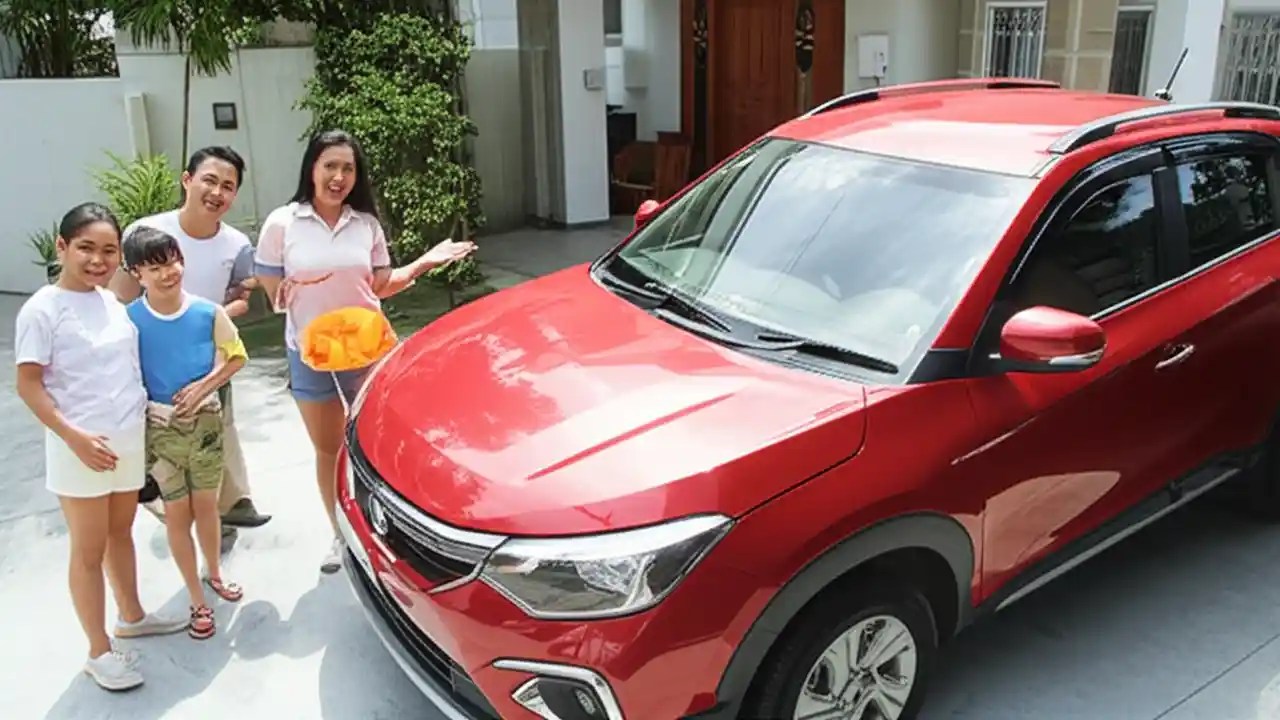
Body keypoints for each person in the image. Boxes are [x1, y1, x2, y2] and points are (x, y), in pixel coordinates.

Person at [254, 130, 476, 573]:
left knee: (379, 443)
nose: (338, 176)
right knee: (329, 449)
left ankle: (391, 529)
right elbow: (272, 291)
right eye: (330, 165)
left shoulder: (365, 224)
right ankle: (341, 534)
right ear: (312, 168)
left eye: (348, 168)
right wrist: (292, 289)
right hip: (311, 352)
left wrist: (426, 261)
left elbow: (379, 286)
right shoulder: (283, 223)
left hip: (367, 348)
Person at [14, 203, 188, 691]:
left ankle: (131, 615)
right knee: (88, 550)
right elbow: (28, 384)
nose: (98, 259)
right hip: (80, 447)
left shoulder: (111, 302)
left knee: (120, 534)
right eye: (86, 248)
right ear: (62, 247)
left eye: (109, 250)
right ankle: (97, 649)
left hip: (125, 439)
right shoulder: (42, 309)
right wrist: (73, 437)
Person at [108, 146, 271, 535]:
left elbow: (240, 301)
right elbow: (119, 299)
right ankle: (165, 500)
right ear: (187, 180)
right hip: (154, 357)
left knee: (217, 427)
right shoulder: (146, 232)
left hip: (209, 355)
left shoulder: (236, 244)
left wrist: (208, 320)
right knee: (163, 434)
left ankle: (231, 507)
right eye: (209, 180)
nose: (217, 192)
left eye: (228, 186)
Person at [124, 227, 247, 639]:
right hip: (160, 433)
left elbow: (236, 357)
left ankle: (214, 573)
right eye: (155, 267)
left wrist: (204, 386)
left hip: (207, 427)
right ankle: (196, 598)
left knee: (208, 508)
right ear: (135, 272)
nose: (168, 273)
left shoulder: (208, 312)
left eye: (173, 261)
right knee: (178, 515)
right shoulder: (129, 321)